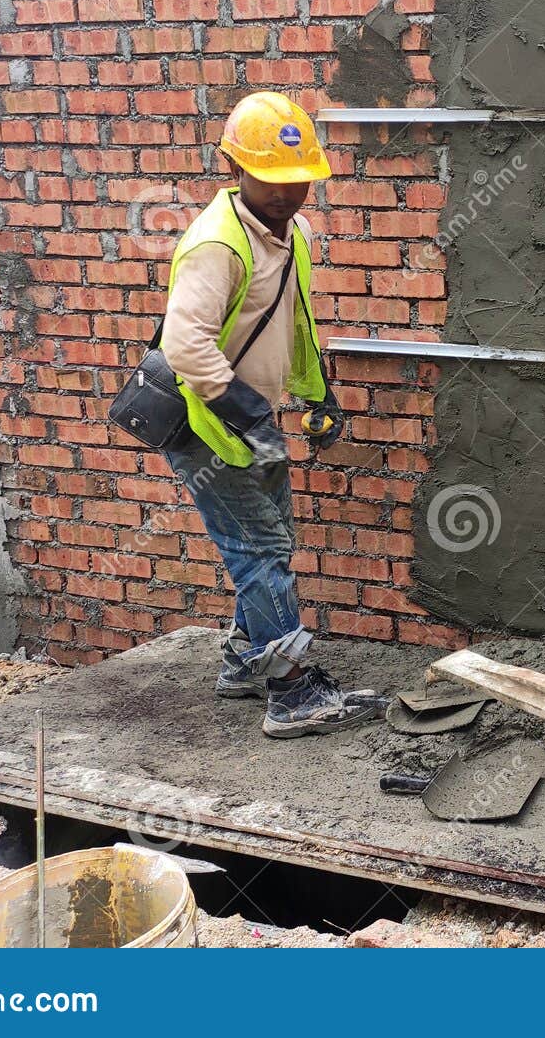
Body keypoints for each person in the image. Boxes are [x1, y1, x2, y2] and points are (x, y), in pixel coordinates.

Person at [159, 90, 374, 739]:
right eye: (273, 180)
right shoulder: (216, 246)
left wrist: (318, 397)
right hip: (206, 427)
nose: (288, 193)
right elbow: (183, 343)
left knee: (270, 544)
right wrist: (248, 413)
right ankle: (290, 692)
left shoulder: (293, 234)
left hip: (252, 423)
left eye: (299, 180)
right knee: (261, 553)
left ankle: (244, 665)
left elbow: (297, 325)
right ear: (235, 169)